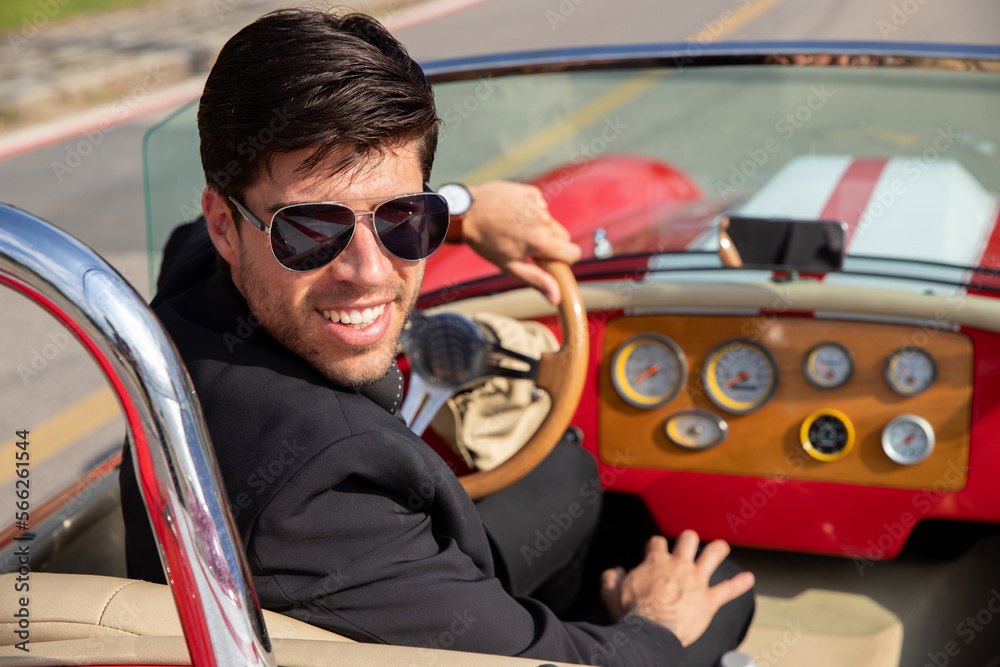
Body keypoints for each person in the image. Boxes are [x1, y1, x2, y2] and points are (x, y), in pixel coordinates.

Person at [119, 9, 755, 666]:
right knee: (724, 595)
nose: (368, 273)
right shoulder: (317, 496)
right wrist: (655, 622)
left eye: (404, 218)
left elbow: (209, 236)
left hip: (353, 583)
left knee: (569, 472)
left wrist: (463, 209)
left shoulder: (194, 278)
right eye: (310, 230)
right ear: (226, 224)